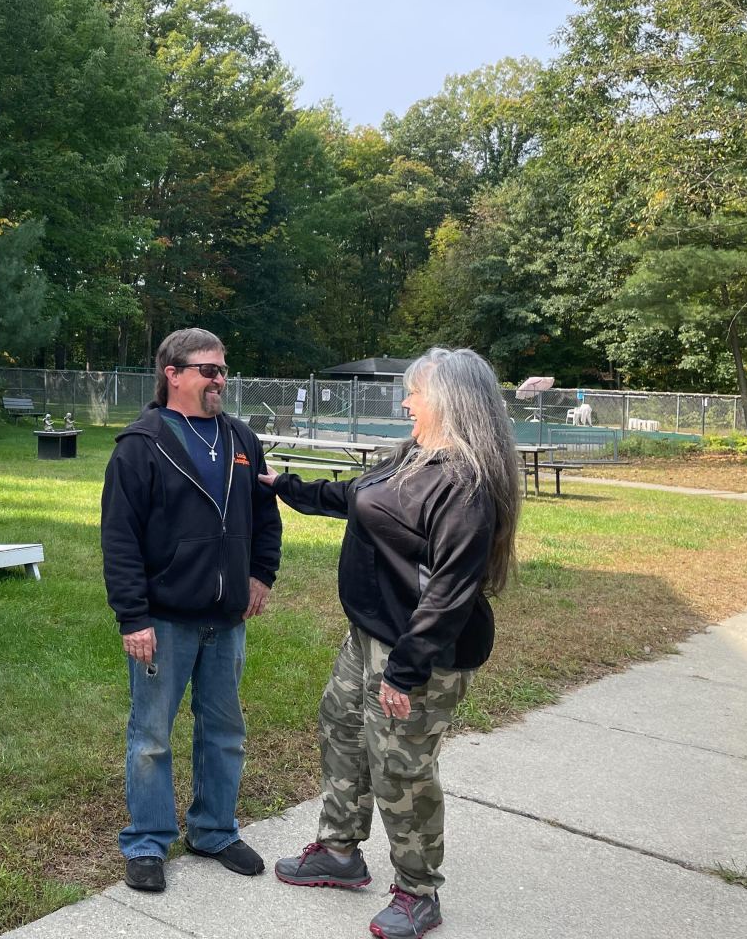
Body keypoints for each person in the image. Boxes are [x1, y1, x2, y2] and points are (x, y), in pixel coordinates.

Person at [260, 347, 520, 939]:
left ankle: (418, 891)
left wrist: (405, 672)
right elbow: (358, 497)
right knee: (343, 728)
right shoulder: (414, 457)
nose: (405, 402)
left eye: (415, 394)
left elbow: (451, 591)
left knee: (401, 766)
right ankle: (339, 852)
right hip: (370, 633)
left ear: (451, 402)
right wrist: (285, 486)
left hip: (417, 651)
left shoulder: (465, 484)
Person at [101, 328, 283, 893]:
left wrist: (260, 574)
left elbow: (264, 515)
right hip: (166, 619)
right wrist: (133, 618)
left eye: (223, 369)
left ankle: (213, 830)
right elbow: (120, 539)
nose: (220, 379)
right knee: (152, 735)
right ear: (172, 373)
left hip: (226, 620)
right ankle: (148, 841)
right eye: (208, 370)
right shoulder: (142, 443)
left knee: (225, 730)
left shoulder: (239, 438)